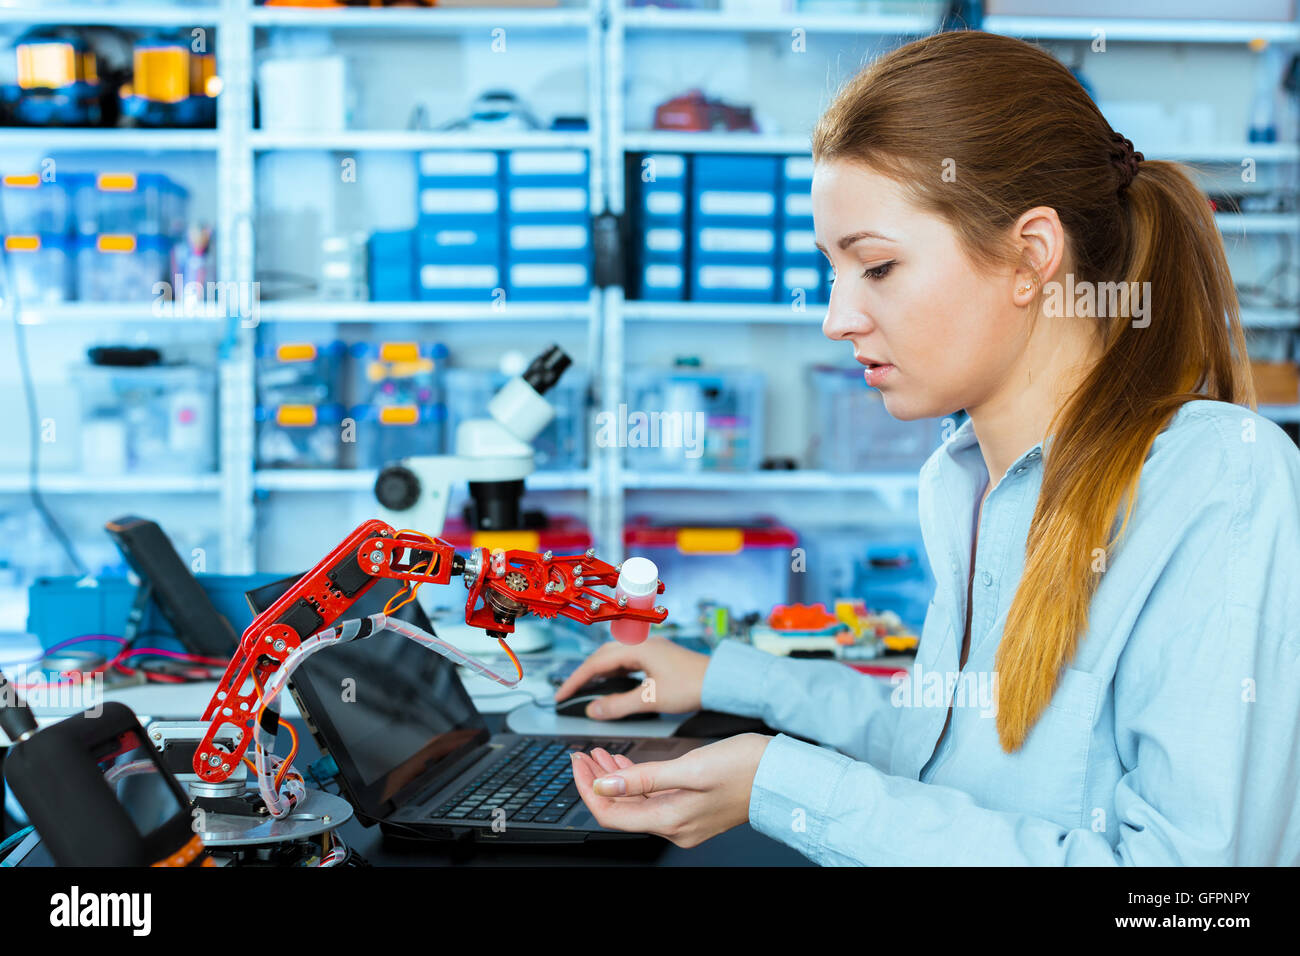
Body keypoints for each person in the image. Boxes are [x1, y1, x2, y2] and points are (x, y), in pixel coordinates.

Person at [557, 29, 1300, 865]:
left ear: (1030, 257)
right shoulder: (964, 480)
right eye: (833, 271)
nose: (836, 318)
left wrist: (781, 784)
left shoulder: (1219, 481)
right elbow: (939, 748)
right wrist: (727, 680)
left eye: (875, 268)